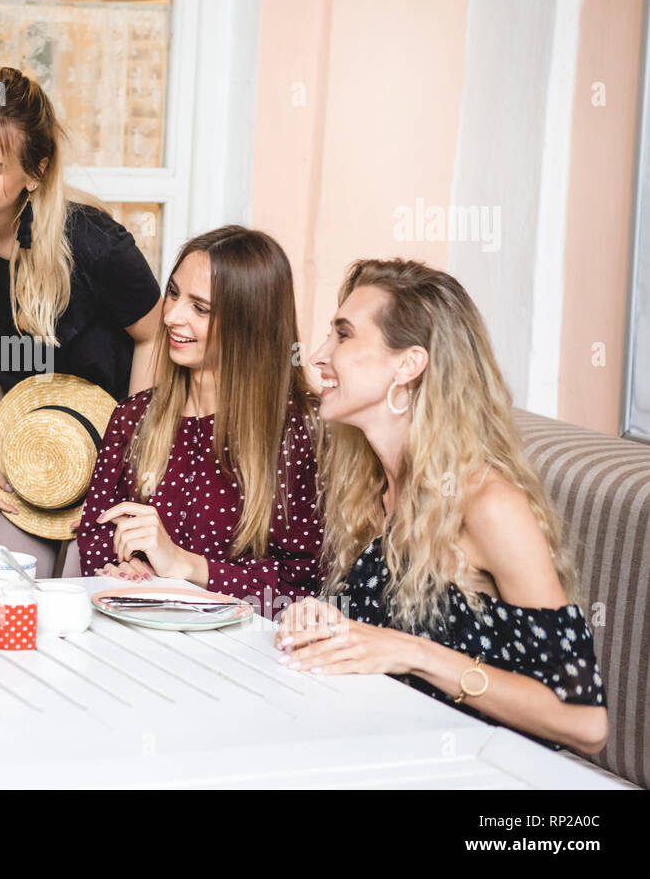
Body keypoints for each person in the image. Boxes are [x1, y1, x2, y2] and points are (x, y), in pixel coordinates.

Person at [275, 259, 608, 755]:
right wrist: (327, 621)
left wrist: (414, 654)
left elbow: (584, 721)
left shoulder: (487, 504)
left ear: (408, 364)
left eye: (343, 336)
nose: (320, 356)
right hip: (386, 750)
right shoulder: (368, 488)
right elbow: (382, 637)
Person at [0, 67, 162, 575]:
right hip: (23, 455)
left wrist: (127, 462)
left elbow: (154, 335)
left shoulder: (93, 242)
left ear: (36, 172)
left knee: (80, 610)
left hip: (109, 454)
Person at [76, 227, 323, 616]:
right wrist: (125, 568)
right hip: (138, 637)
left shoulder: (298, 430)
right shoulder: (134, 416)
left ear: (250, 322)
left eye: (200, 308)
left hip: (246, 657)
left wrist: (187, 566)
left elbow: (302, 586)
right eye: (173, 293)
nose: (171, 316)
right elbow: (93, 535)